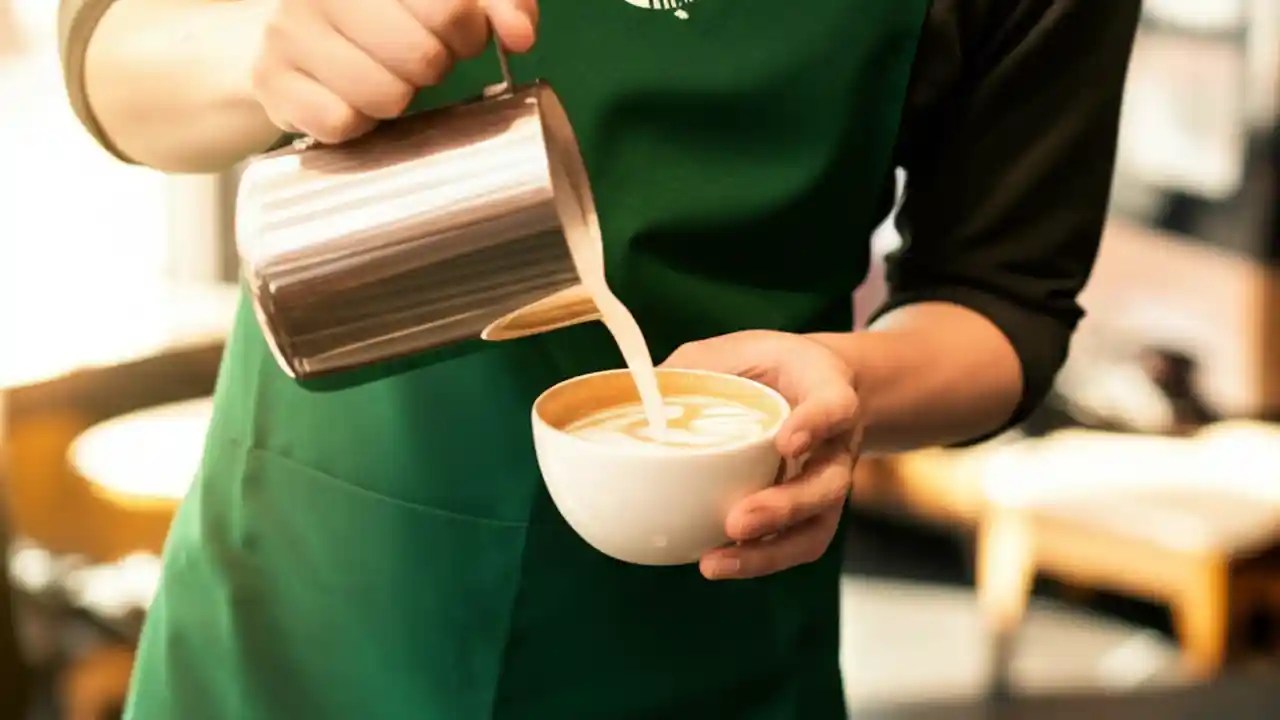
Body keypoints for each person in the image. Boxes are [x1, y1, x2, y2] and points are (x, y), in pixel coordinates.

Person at [59, 0, 1141, 717]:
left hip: (703, 631)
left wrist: (854, 383)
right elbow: (103, 50)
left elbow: (1004, 300)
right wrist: (256, 45)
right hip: (302, 608)